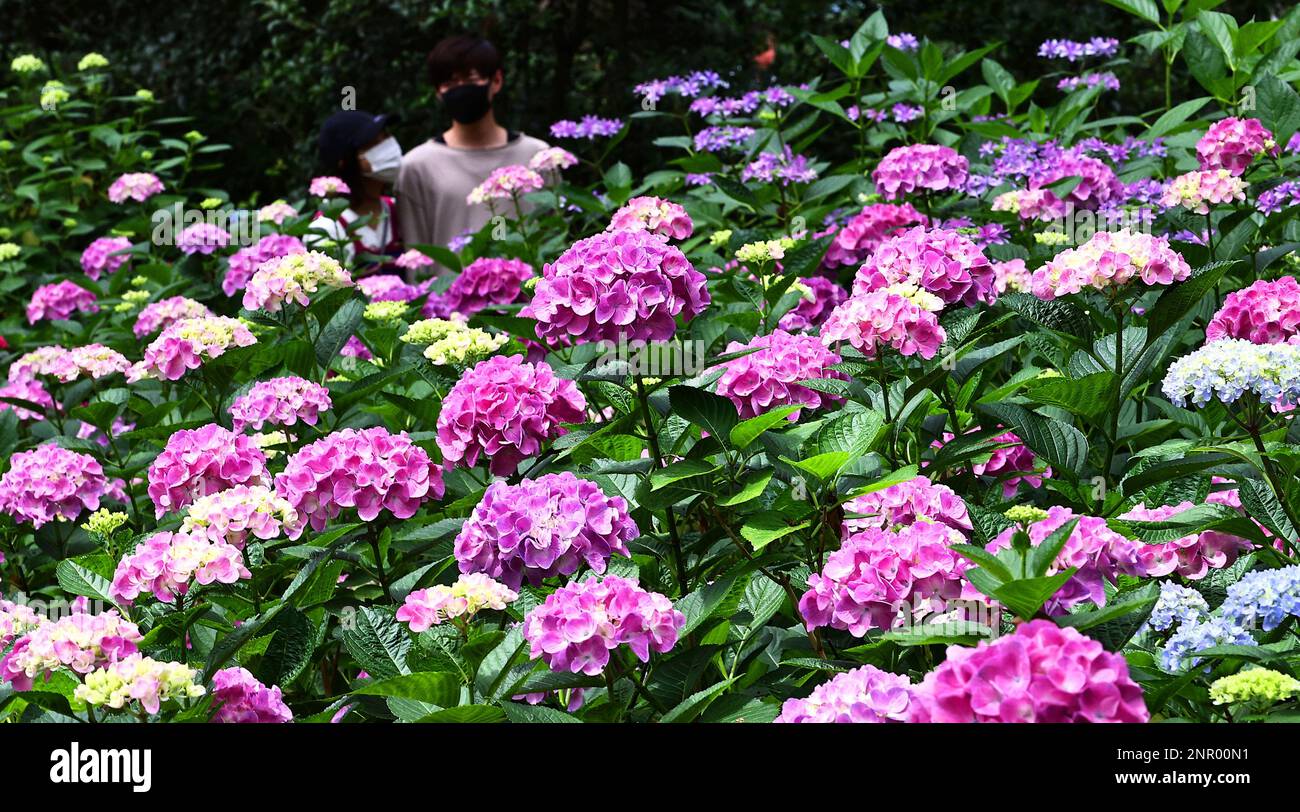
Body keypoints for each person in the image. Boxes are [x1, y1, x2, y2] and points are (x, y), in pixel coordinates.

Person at [397, 35, 548, 273]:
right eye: (450, 82)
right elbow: (417, 258)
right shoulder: (417, 166)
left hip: (529, 303)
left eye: (470, 78)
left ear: (496, 80)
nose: (460, 88)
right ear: (438, 91)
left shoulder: (539, 157)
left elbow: (555, 238)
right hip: (450, 306)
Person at [309, 110, 406, 270]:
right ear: (344, 161)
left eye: (386, 137)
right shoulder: (326, 228)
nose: (387, 146)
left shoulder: (399, 210)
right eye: (374, 143)